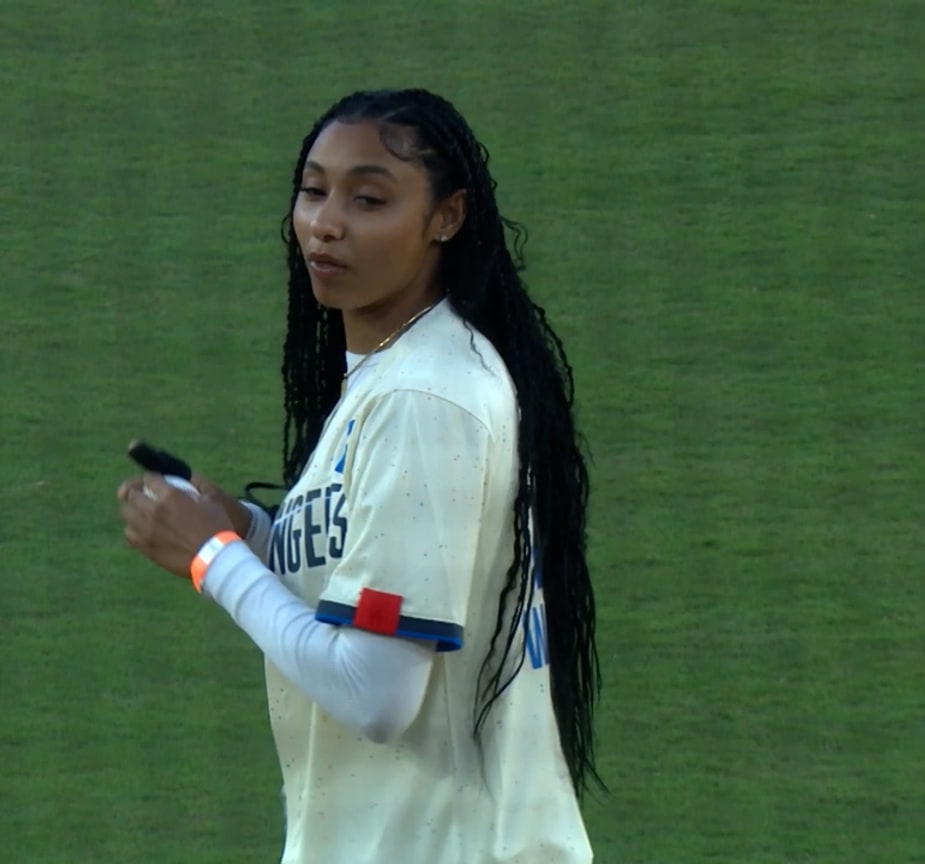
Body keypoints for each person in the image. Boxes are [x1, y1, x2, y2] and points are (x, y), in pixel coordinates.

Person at [116, 88, 602, 863]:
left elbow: (376, 693)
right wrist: (249, 531)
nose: (327, 222)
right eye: (313, 190)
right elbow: (367, 583)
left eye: (369, 198)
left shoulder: (424, 397)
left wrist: (212, 559)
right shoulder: (394, 381)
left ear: (447, 217)